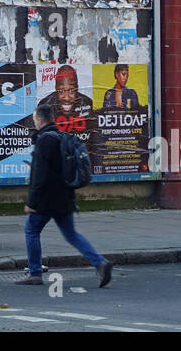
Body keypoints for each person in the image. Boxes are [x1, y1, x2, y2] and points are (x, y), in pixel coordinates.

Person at [13, 103, 113, 288]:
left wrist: (31, 202)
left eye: (35, 119)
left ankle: (34, 273)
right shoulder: (61, 137)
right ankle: (100, 262)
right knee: (71, 234)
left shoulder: (44, 141)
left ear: (40, 120)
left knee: (31, 230)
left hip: (46, 199)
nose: (35, 122)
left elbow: (40, 175)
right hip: (65, 196)